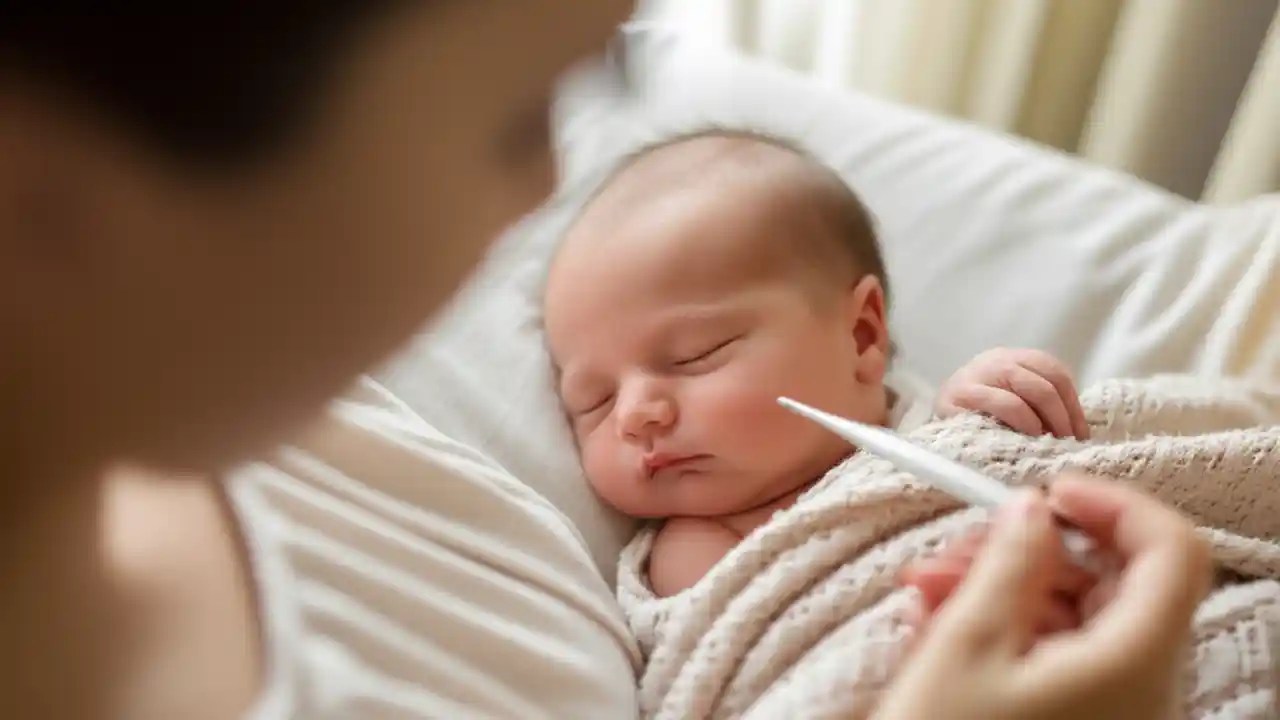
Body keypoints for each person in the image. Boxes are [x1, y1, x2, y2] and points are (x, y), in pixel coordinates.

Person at [0, 5, 1210, 720]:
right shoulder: (659, 569)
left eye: (695, 352)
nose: (544, 186)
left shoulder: (316, 444)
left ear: (861, 336)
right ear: (47, 194)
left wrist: (1010, 418)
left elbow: (1180, 452)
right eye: (525, 113)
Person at [543, 130, 1088, 597]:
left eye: (695, 355)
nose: (635, 415)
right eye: (594, 401)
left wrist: (991, 406)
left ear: (860, 334)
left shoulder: (939, 420)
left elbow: (1061, 474)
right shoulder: (699, 554)